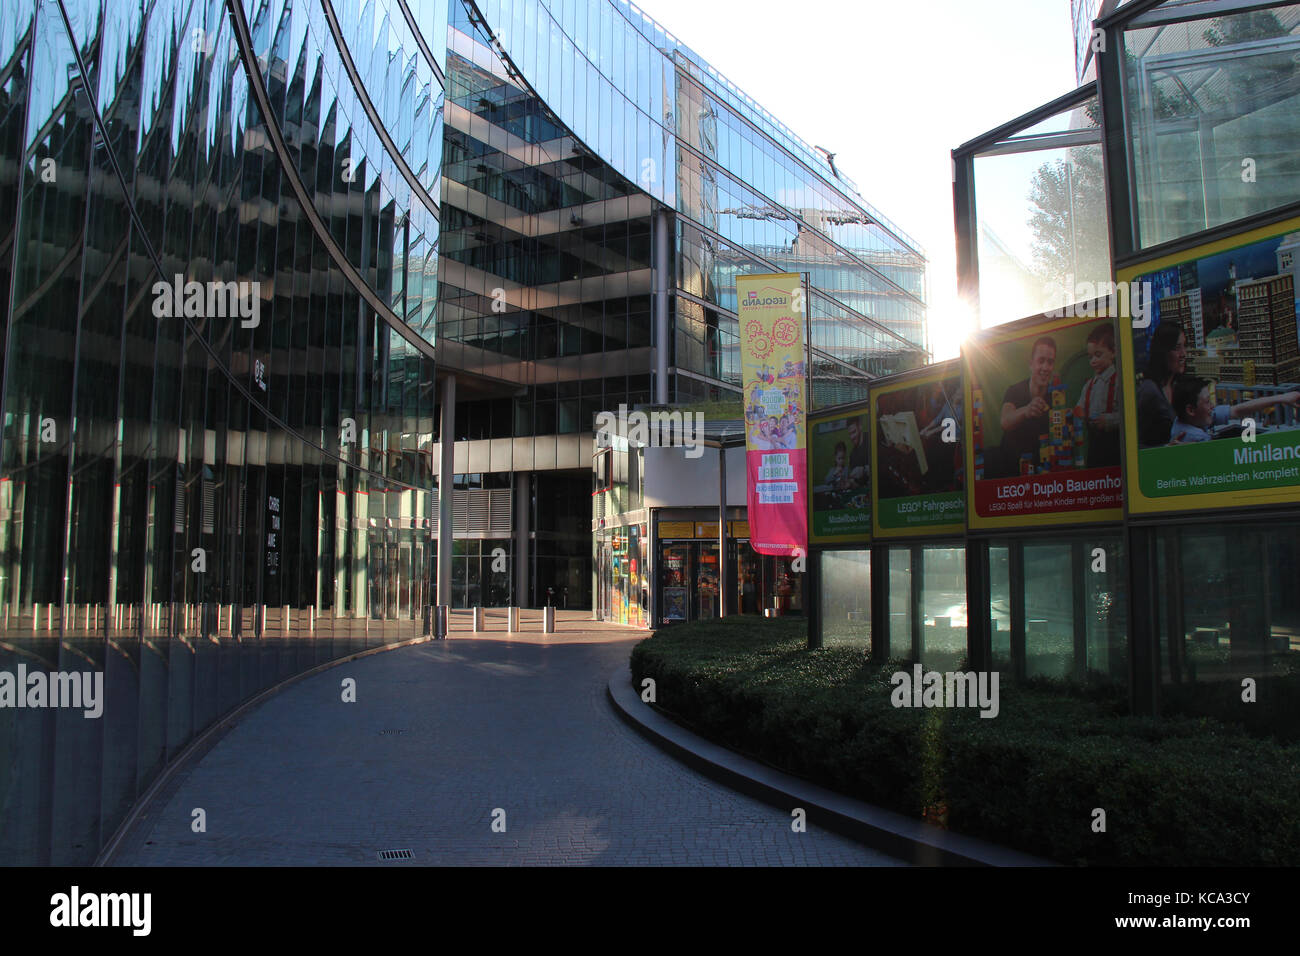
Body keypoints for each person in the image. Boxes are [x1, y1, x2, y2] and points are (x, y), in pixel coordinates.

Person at [1169, 375, 1300, 443]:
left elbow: (1237, 410)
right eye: (1208, 402)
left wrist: (1281, 398)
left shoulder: (1186, 420)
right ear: (1191, 410)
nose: (1212, 406)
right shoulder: (1196, 438)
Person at [995, 336, 1058, 477]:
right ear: (1031, 364)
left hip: (1042, 474)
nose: (1046, 368)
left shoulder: (1056, 396)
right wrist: (1026, 410)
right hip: (1010, 472)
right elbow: (1005, 421)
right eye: (1041, 361)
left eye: (1050, 362)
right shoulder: (1015, 391)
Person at [1074, 322, 1120, 467]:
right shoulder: (1088, 386)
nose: (1093, 361)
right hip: (1094, 445)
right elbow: (1080, 408)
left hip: (1115, 445)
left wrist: (1108, 420)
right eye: (1090, 357)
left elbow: (1128, 415)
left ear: (1113, 352)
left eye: (1098, 355)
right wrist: (1074, 414)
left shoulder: (1119, 381)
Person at [1136, 322, 1186, 448]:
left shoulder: (1177, 385)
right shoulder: (1149, 391)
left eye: (1184, 346)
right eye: (1177, 348)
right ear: (1163, 352)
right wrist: (1166, 449)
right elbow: (1134, 445)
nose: (1183, 354)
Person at [845, 417, 869, 488]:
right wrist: (849, 483)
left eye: (854, 432)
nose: (852, 437)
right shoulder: (852, 456)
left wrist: (863, 470)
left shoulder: (872, 438)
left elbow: (883, 464)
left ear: (860, 427)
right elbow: (858, 485)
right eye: (850, 434)